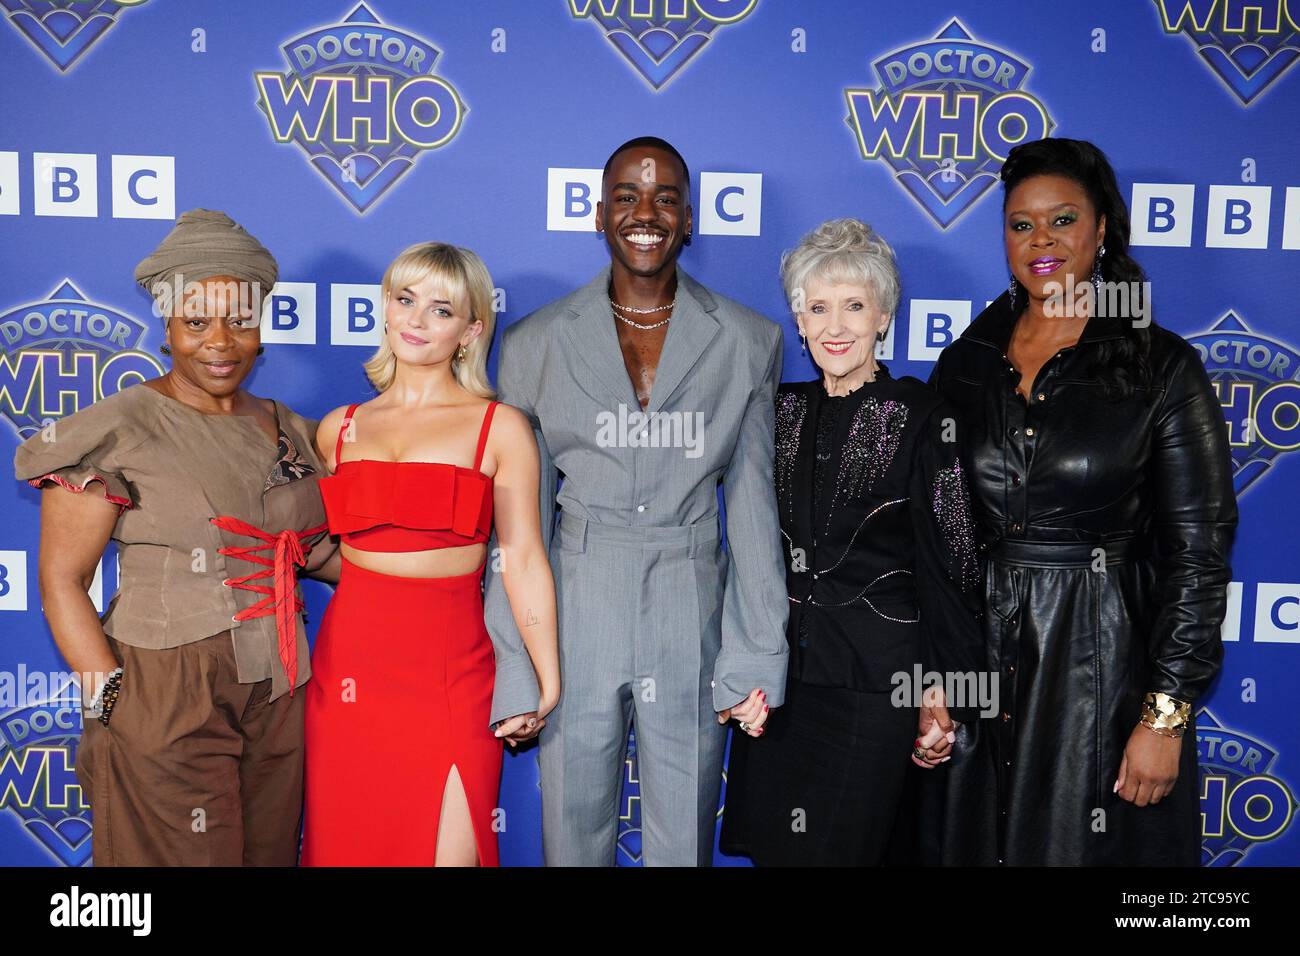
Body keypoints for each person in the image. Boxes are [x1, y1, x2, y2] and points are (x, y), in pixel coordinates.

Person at [928, 138, 1238, 865]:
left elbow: (1199, 552)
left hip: (1101, 671)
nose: (1041, 241)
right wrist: (936, 674)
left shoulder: (1161, 366)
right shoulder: (966, 361)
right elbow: (937, 531)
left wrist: (1164, 717)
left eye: (1063, 220)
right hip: (977, 666)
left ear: (1102, 230)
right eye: (1020, 224)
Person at [482, 136, 789, 867]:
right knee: (573, 830)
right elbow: (516, 534)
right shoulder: (535, 344)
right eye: (626, 196)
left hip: (692, 604)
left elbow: (752, 508)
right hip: (575, 611)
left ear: (689, 219)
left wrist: (757, 654)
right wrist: (518, 668)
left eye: (665, 198)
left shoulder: (750, 340)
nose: (645, 213)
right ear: (599, 214)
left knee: (683, 838)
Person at [13, 208, 337, 866]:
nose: (220, 342)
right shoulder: (117, 426)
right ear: (167, 325)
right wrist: (112, 699)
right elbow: (60, 581)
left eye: (240, 320)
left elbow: (320, 554)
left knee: (265, 854)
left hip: (280, 687)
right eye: (196, 321)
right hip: (163, 682)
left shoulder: (294, 429)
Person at [718, 219, 985, 866]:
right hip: (779, 685)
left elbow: (954, 562)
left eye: (854, 306)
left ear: (884, 316)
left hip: (877, 686)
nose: (835, 325)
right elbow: (744, 551)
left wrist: (942, 691)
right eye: (818, 308)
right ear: (799, 322)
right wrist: (743, 666)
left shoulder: (925, 415)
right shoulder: (773, 411)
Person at [301, 241, 559, 867]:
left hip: (452, 673)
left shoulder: (498, 427)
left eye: (441, 310)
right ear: (386, 310)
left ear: (471, 331)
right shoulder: (339, 427)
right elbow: (320, 551)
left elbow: (522, 556)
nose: (416, 320)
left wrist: (547, 679)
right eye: (405, 300)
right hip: (351, 668)